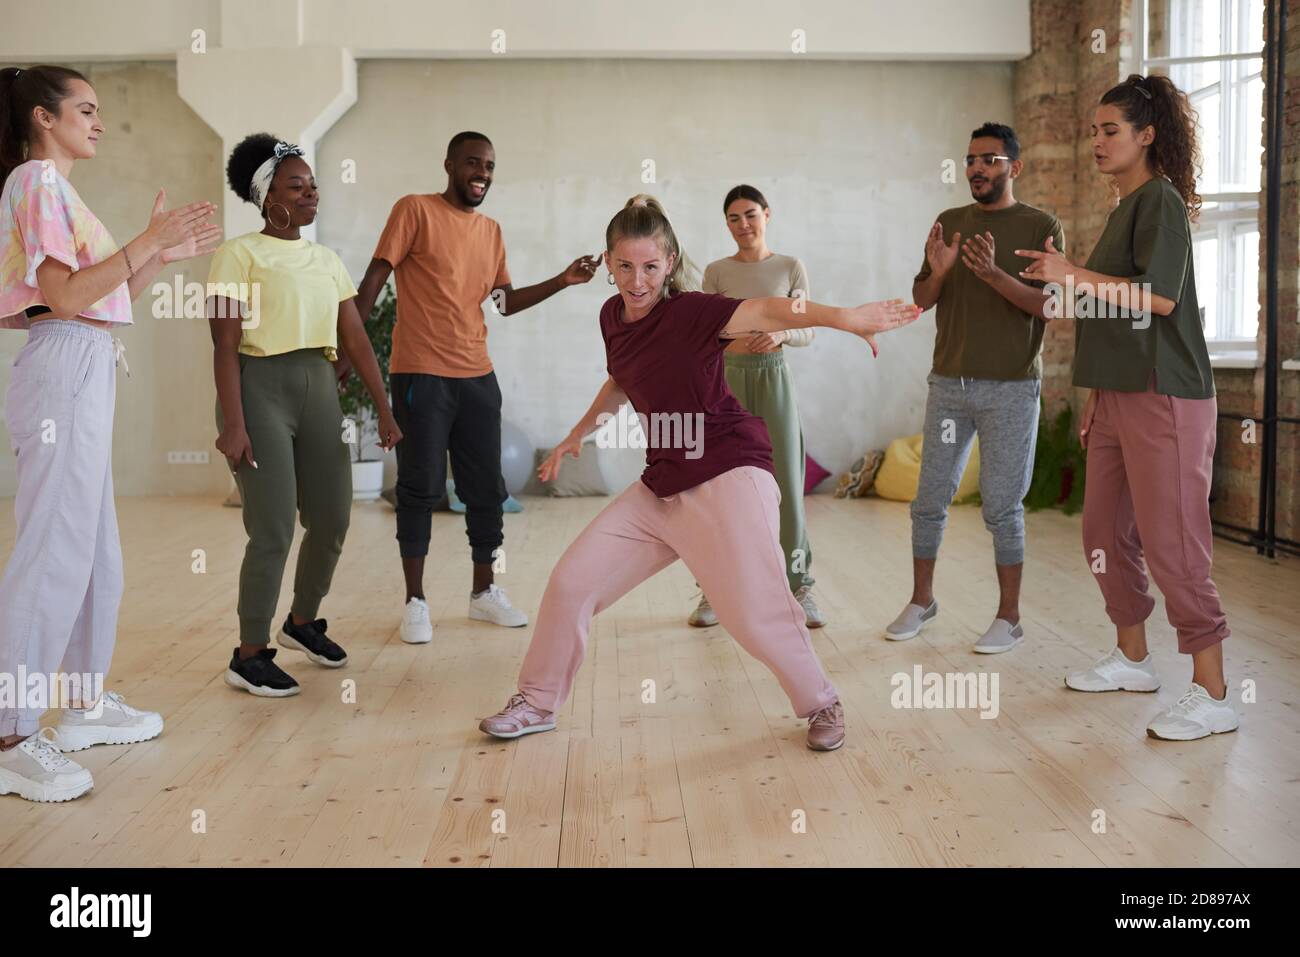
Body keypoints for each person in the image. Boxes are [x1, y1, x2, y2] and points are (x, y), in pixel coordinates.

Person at [477, 197, 920, 752]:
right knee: (570, 584)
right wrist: (577, 433)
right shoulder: (611, 317)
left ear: (669, 263)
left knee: (752, 613)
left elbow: (772, 311)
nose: (637, 281)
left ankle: (822, 701)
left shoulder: (691, 312)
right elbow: (621, 379)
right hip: (661, 486)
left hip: (728, 472)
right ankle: (537, 702)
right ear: (608, 265)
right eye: (625, 267)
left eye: (650, 267)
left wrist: (845, 319)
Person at [0, 65, 220, 801]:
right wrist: (145, 238)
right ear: (42, 117)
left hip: (85, 361)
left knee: (95, 555)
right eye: (85, 110)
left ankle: (85, 705)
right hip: (64, 370)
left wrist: (156, 254)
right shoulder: (34, 182)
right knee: (54, 552)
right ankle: (8, 728)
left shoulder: (54, 189)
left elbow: (103, 301)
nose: (97, 122)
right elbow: (61, 298)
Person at [1018, 75, 1237, 740]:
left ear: (1147, 135)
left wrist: (1070, 275)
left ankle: (1214, 690)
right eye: (1093, 131)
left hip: (1167, 394)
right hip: (1119, 396)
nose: (1097, 141)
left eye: (1110, 129)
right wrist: (1097, 396)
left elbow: (1158, 300)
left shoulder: (1160, 202)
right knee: (1103, 534)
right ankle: (1134, 658)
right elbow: (1106, 309)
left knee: (1174, 544)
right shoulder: (1124, 209)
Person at [350, 132, 598, 643]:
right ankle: (415, 601)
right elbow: (375, 278)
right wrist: (348, 346)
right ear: (449, 164)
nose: (481, 172)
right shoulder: (414, 210)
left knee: (487, 489)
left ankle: (484, 591)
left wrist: (562, 279)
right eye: (471, 162)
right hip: (420, 372)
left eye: (488, 164)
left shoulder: (491, 231)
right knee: (418, 487)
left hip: (478, 377)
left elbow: (502, 304)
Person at [208, 133, 401, 697]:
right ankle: (248, 653)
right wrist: (233, 423)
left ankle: (301, 621)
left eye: (314, 184)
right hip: (257, 386)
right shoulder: (237, 254)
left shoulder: (326, 260)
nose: (312, 193)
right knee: (270, 528)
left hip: (319, 387)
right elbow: (223, 345)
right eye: (298, 185)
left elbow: (355, 339)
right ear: (269, 198)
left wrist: (384, 410)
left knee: (333, 517)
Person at [885, 122, 1064, 654]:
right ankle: (922, 601)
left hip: (1011, 389)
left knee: (1002, 508)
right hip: (949, 386)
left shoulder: (1040, 224)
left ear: (1015, 166)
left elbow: (1052, 306)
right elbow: (920, 298)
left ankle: (1009, 618)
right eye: (970, 160)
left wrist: (995, 277)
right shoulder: (950, 222)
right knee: (928, 500)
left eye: (989, 159)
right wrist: (939, 274)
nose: (977, 169)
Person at [693, 184, 825, 629]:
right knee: (721, 485)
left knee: (786, 477)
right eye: (733, 218)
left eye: (750, 215)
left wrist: (783, 335)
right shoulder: (716, 272)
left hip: (774, 378)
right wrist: (728, 339)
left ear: (767, 215)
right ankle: (714, 590)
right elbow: (701, 334)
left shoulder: (790, 267)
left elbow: (809, 328)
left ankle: (800, 584)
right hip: (727, 383)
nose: (743, 225)